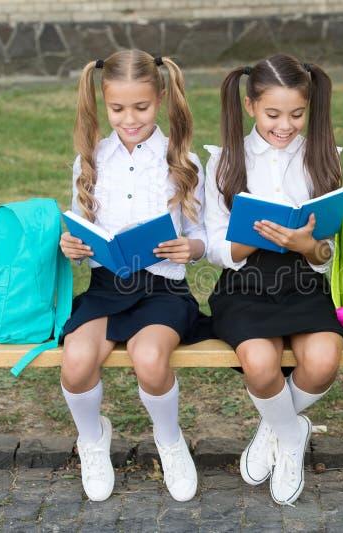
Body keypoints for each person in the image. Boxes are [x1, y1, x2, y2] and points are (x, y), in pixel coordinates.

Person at [203, 54, 343, 506]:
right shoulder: (225, 162)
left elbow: (326, 252)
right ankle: (291, 436)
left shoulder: (321, 159)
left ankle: (276, 423)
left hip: (303, 281)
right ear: (251, 106)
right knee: (260, 364)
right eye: (273, 114)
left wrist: (306, 246)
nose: (285, 125)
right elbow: (216, 248)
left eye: (296, 114)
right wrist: (251, 238)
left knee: (324, 360)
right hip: (245, 283)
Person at [58, 50, 207, 503]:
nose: (129, 118)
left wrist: (191, 248)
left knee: (149, 359)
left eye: (140, 107)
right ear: (104, 103)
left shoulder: (182, 160)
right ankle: (92, 438)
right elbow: (82, 236)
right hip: (107, 289)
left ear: (160, 98)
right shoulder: (90, 161)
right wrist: (73, 248)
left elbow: (202, 236)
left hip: (164, 290)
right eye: (117, 108)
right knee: (77, 361)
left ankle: (170, 440)